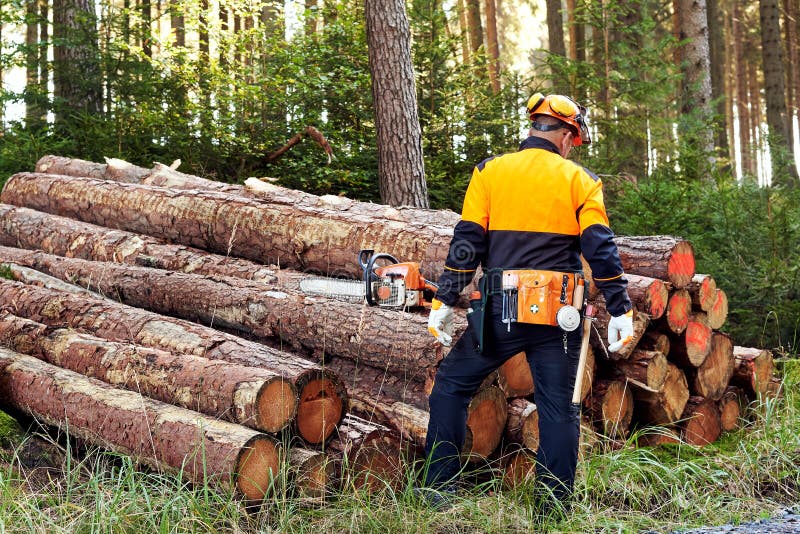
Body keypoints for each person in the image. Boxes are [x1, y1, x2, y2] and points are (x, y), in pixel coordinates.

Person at [421, 93, 634, 509]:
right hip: (561, 316)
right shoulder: (582, 180)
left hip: (500, 311)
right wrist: (620, 307)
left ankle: (436, 492)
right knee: (559, 410)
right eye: (574, 139)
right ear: (569, 134)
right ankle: (553, 510)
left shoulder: (489, 172)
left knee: (450, 387)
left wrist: (446, 299)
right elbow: (600, 248)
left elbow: (468, 242)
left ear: (534, 127)